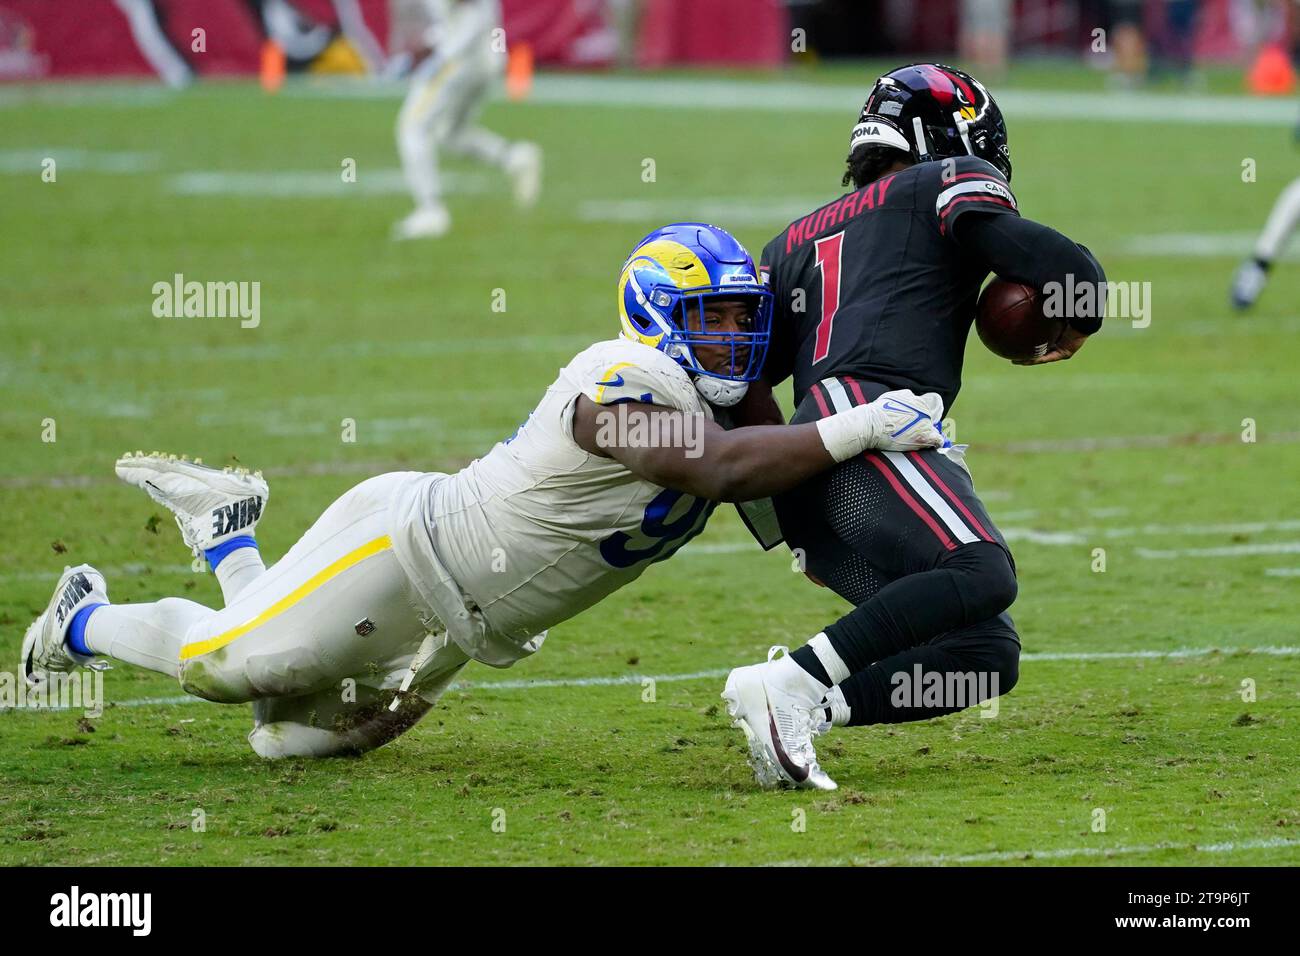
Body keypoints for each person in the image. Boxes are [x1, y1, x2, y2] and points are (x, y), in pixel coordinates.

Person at [22, 223, 944, 761]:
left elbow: (779, 508)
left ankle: (230, 537)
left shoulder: (727, 405)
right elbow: (709, 469)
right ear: (657, 317)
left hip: (473, 626)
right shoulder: (616, 380)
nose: (735, 340)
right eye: (715, 320)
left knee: (290, 743)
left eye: (746, 319)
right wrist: (859, 425)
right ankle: (78, 620)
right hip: (406, 553)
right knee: (231, 670)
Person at [722, 64, 1107, 790]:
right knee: (982, 570)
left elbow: (742, 385)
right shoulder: (943, 182)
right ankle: (792, 682)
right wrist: (1079, 312)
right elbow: (1061, 269)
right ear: (945, 138)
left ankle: (806, 708)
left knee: (985, 652)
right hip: (872, 428)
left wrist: (783, 508)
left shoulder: (789, 244)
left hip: (809, 462)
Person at [393, 0, 542, 239]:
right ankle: (514, 157)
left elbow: (473, 17)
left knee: (413, 127)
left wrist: (441, 57)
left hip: (462, 60)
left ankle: (430, 210)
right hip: (481, 59)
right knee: (451, 133)